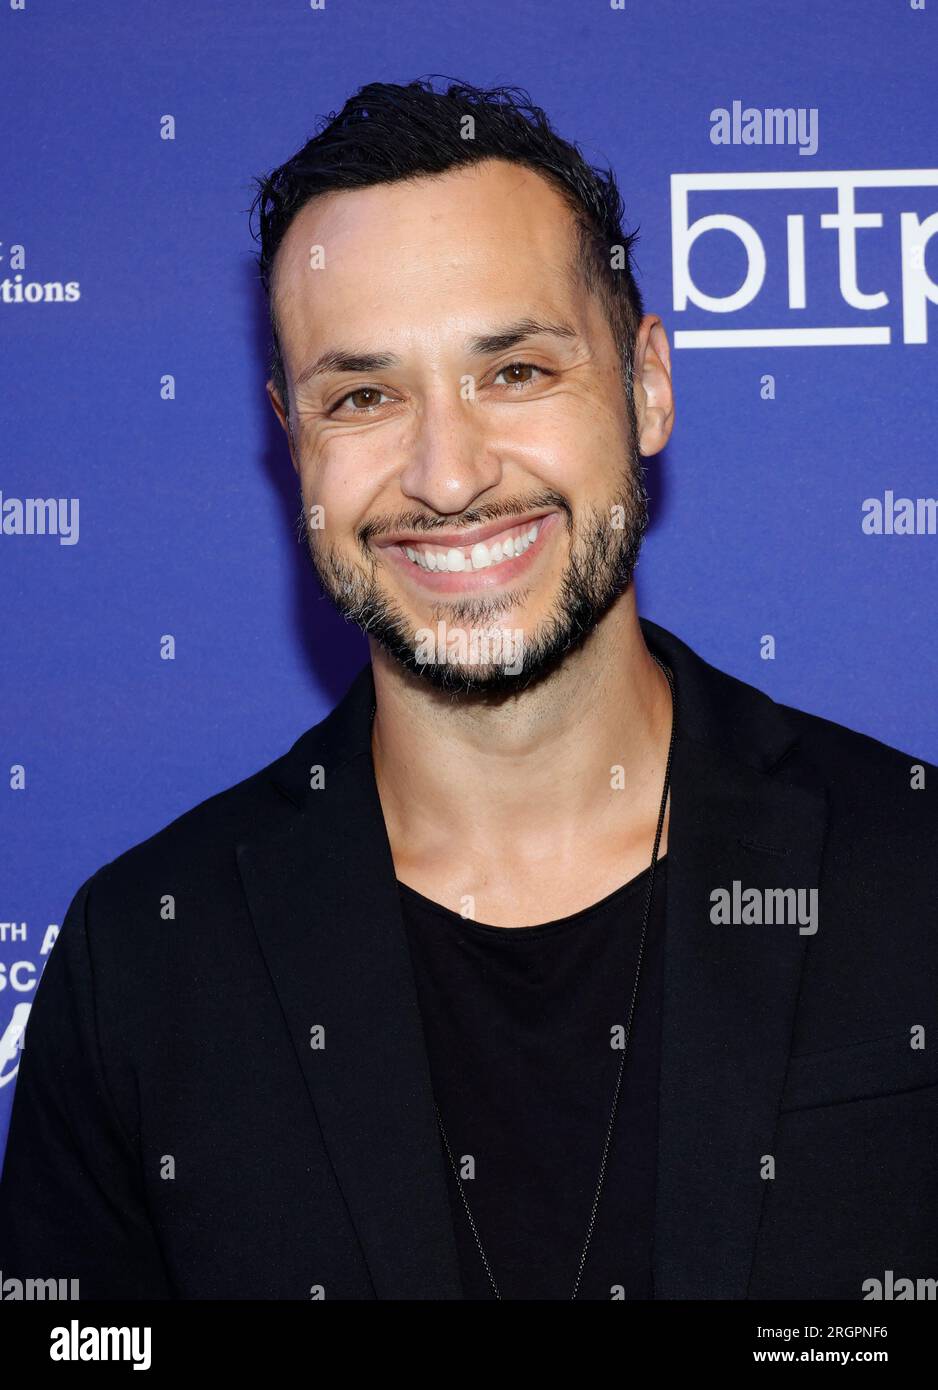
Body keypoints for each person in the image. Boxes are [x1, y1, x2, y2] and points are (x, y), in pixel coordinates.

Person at [1, 79, 936, 1301]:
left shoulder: (910, 869)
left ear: (646, 385)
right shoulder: (142, 964)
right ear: (294, 446)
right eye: (364, 398)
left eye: (515, 372)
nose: (447, 477)